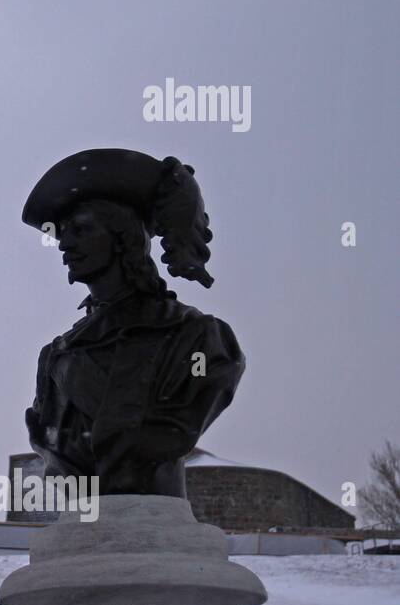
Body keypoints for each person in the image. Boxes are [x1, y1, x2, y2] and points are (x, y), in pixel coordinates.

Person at [21, 149, 244, 497]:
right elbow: (52, 441)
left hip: (157, 522)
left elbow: (166, 432)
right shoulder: (54, 358)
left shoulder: (199, 339)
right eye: (62, 233)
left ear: (123, 237)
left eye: (80, 229)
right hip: (82, 531)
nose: (64, 244)